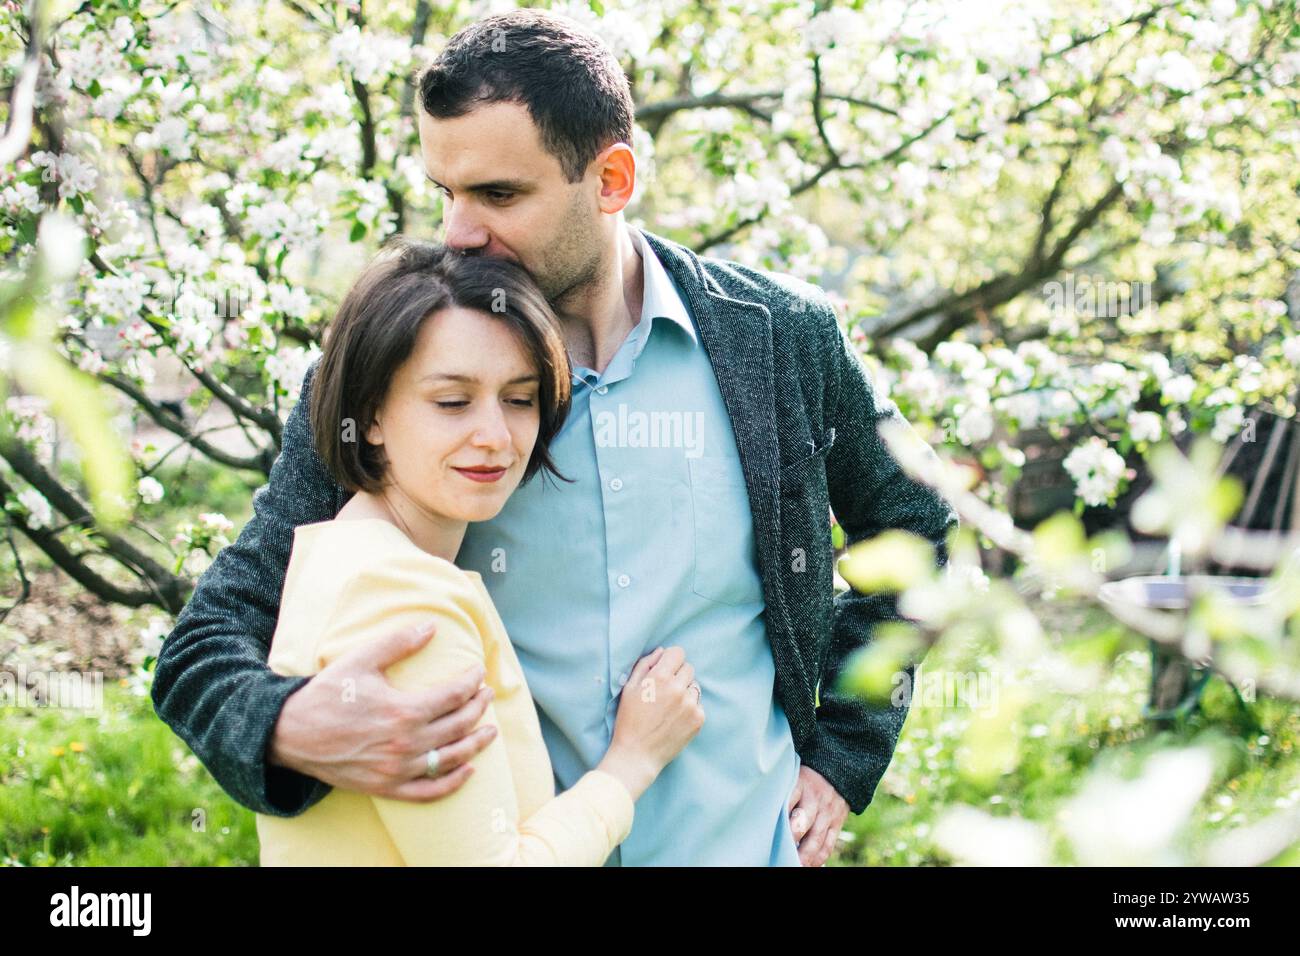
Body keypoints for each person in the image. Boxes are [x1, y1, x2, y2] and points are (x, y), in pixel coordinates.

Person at [151, 8, 959, 867]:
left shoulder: (780, 338)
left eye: (499, 195)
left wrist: (844, 754)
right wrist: (283, 725)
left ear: (611, 180)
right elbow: (205, 645)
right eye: (447, 193)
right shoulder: (398, 378)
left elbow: (916, 522)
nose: (461, 231)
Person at [256, 237, 703, 865]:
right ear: (371, 413)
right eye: (451, 402)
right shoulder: (403, 604)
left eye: (519, 399)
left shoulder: (340, 555)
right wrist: (632, 761)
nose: (495, 437)